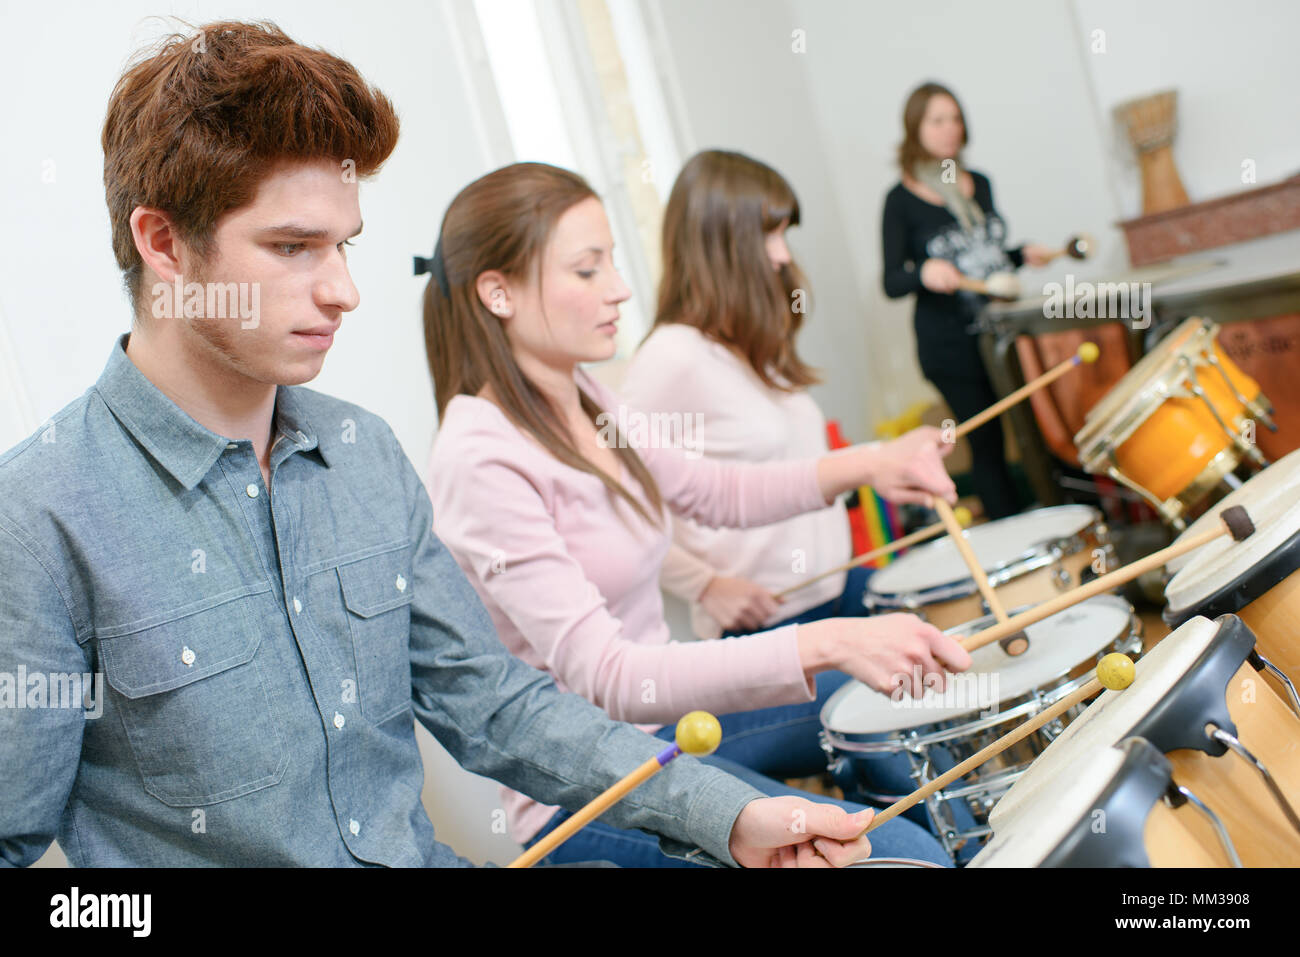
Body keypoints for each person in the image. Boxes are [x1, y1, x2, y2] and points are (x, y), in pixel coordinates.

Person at [0, 19, 887, 869]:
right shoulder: (40, 515)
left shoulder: (362, 452)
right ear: (163, 244)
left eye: (343, 244)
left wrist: (725, 815)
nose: (345, 289)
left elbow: (494, 706)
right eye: (293, 247)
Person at [421, 160, 974, 867]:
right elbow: (609, 674)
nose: (620, 289)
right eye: (588, 270)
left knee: (910, 723)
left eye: (612, 263)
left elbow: (716, 492)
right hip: (580, 787)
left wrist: (870, 463)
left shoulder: (585, 393)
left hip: (669, 725)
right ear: (497, 292)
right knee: (888, 851)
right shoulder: (479, 456)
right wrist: (824, 641)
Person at [622, 148, 873, 641]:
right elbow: (611, 502)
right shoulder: (671, 357)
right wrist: (705, 585)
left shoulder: (745, 344)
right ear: (722, 244)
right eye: (770, 235)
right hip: (769, 629)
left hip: (836, 591)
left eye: (785, 235)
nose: (783, 256)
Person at [881, 82, 1054, 520]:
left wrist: (1018, 255)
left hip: (999, 334)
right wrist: (923, 272)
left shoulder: (982, 185)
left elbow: (985, 263)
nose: (949, 129)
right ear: (915, 129)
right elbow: (892, 280)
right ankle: (1012, 539)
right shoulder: (900, 201)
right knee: (988, 443)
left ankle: (1057, 519)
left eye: (955, 118)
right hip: (950, 346)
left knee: (1036, 428)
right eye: (937, 120)